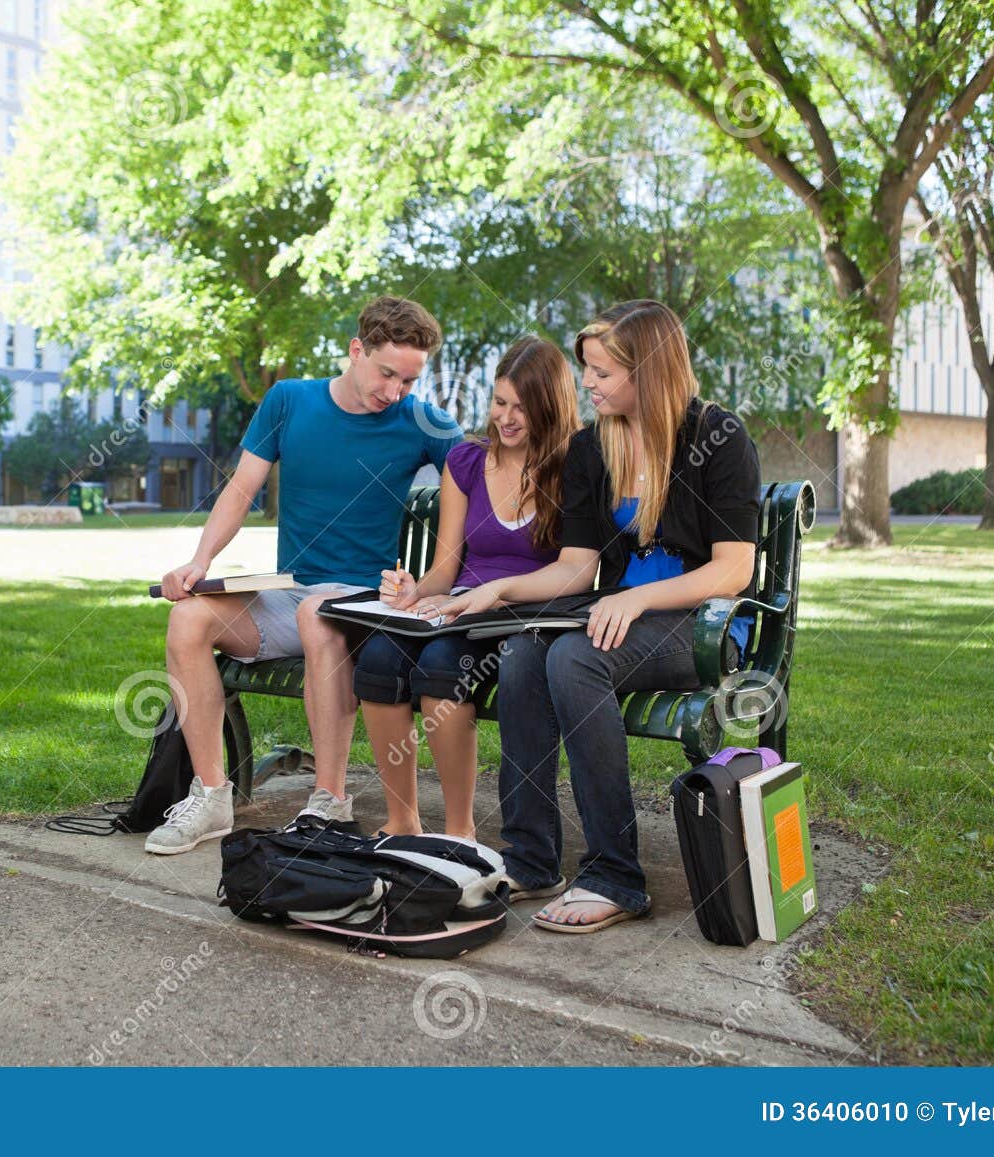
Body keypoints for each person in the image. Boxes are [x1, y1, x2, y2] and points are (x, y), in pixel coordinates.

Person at [435, 300, 761, 930]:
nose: (588, 383)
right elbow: (577, 568)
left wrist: (637, 596)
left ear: (651, 372)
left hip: (702, 623)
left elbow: (733, 570)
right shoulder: (593, 447)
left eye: (603, 373)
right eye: (587, 369)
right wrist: (500, 589)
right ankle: (531, 857)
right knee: (527, 652)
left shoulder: (718, 437)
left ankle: (615, 873)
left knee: (576, 660)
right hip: (616, 612)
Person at [145, 296, 461, 855]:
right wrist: (202, 561)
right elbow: (242, 489)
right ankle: (213, 796)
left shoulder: (422, 422)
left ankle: (329, 800)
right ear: (356, 350)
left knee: (319, 615)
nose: (395, 392)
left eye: (409, 381)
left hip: (363, 604)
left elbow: (483, 479)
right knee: (188, 619)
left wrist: (444, 584)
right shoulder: (289, 400)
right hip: (291, 591)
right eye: (387, 374)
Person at [352, 336, 577, 843]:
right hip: (458, 606)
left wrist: (493, 593)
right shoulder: (468, 462)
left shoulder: (573, 467)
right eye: (500, 403)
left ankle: (460, 832)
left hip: (523, 612)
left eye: (524, 407)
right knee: (379, 660)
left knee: (439, 669)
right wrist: (415, 593)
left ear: (552, 408)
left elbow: (576, 569)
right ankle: (403, 821)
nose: (508, 418)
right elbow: (446, 566)